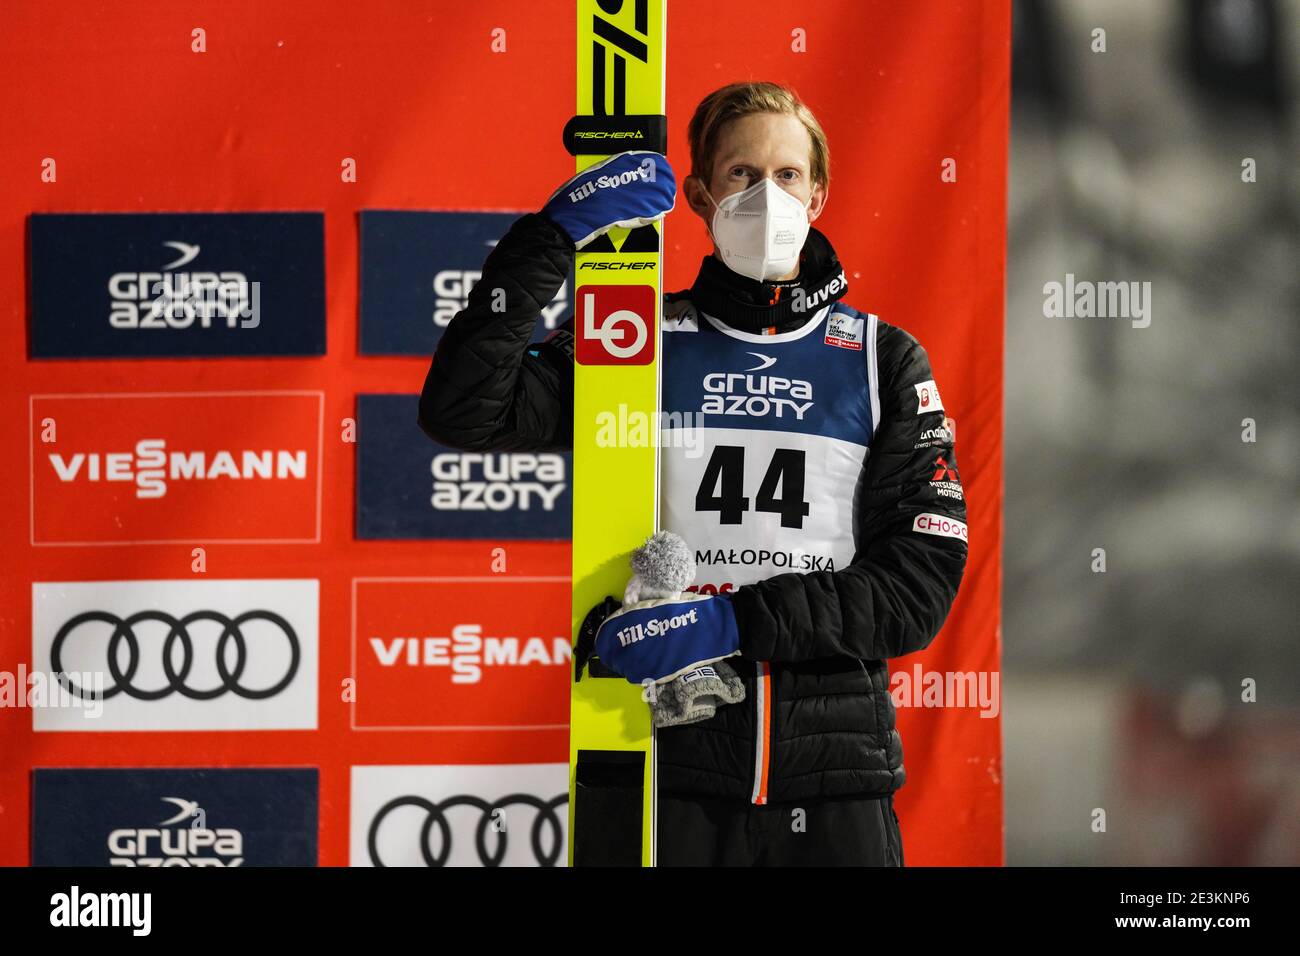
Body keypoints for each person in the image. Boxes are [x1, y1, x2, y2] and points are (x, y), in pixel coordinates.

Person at [418, 81, 968, 866]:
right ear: (700, 195)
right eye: (742, 175)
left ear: (819, 194)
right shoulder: (638, 339)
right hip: (658, 766)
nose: (766, 197)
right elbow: (463, 408)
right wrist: (551, 238)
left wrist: (727, 623)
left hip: (832, 783)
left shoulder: (882, 359)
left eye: (786, 176)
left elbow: (919, 584)